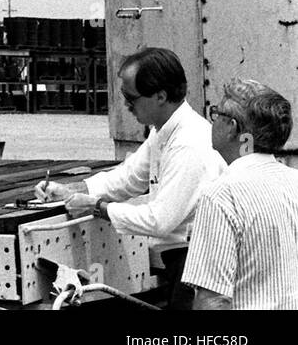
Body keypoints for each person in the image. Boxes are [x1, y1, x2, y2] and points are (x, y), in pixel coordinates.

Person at [35, 47, 225, 247]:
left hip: (192, 257)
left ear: (160, 96)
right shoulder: (163, 131)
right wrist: (71, 190)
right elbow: (129, 178)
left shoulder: (188, 143)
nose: (126, 106)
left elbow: (158, 221)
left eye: (131, 98)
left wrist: (97, 207)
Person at [182, 78, 298, 309]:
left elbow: (213, 301)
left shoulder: (221, 196)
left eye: (216, 113)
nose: (212, 121)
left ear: (233, 128)